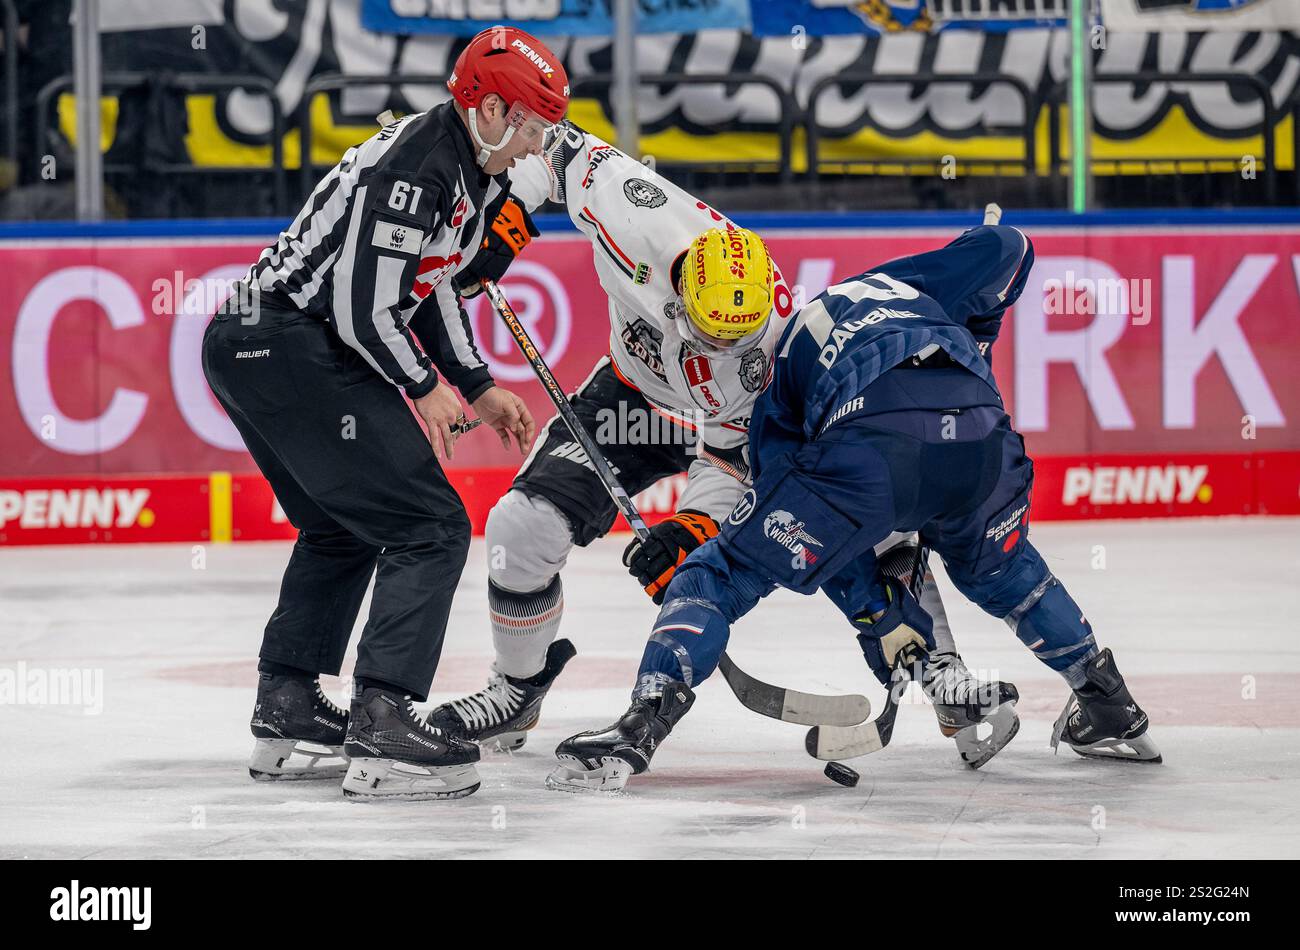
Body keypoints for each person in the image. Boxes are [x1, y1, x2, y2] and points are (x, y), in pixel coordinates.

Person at [426, 122, 1017, 766]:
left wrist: (690, 528)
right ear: (681, 296)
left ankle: (939, 674)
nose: (727, 352)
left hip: (733, 430)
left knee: (871, 517)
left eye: (743, 338)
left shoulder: (768, 354)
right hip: (632, 396)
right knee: (521, 525)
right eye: (714, 337)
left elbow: (732, 457)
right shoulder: (640, 211)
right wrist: (505, 218)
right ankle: (517, 688)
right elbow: (554, 143)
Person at [548, 221, 1161, 792]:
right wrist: (979, 335)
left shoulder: (771, 379)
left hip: (872, 450)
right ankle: (1110, 705)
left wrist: (879, 615)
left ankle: (641, 724)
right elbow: (1012, 248)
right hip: (983, 441)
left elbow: (818, 533)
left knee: (716, 574)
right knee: (1004, 570)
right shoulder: (903, 282)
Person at [201, 26, 567, 801]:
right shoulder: (420, 162)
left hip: (256, 342)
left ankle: (289, 702)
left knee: (346, 522)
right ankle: (385, 718)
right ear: (493, 112)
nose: (538, 147)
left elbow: (429, 286)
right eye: (533, 128)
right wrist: (426, 386)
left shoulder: (469, 168)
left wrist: (475, 383)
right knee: (429, 523)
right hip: (286, 340)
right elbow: (362, 306)